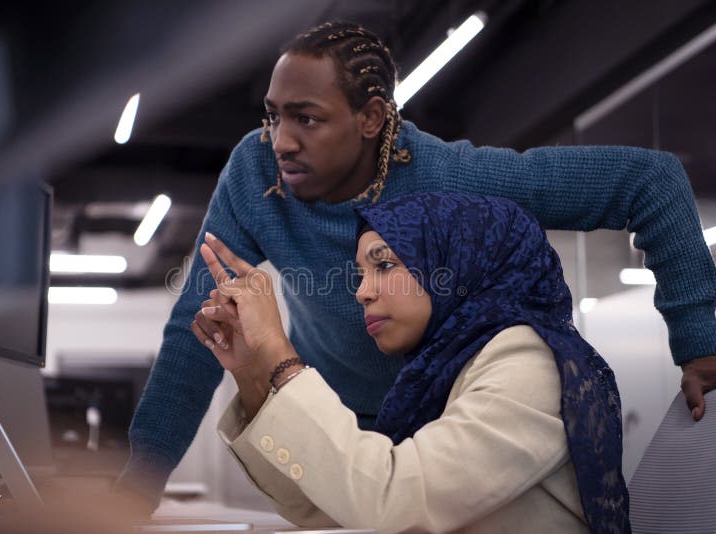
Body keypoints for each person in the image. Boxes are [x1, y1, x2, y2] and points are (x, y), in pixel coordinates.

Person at [114, 21, 716, 511]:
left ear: (372, 119)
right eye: (273, 116)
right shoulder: (256, 173)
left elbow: (650, 181)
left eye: (307, 118)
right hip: (334, 416)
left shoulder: (451, 180)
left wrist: (700, 340)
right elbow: (196, 330)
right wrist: (135, 492)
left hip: (447, 418)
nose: (280, 141)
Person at [191, 191, 629, 533]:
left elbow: (391, 501)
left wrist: (277, 350)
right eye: (362, 274)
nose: (362, 291)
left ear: (458, 262)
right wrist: (251, 371)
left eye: (384, 265)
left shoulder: (529, 359)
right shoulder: (438, 373)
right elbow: (331, 508)